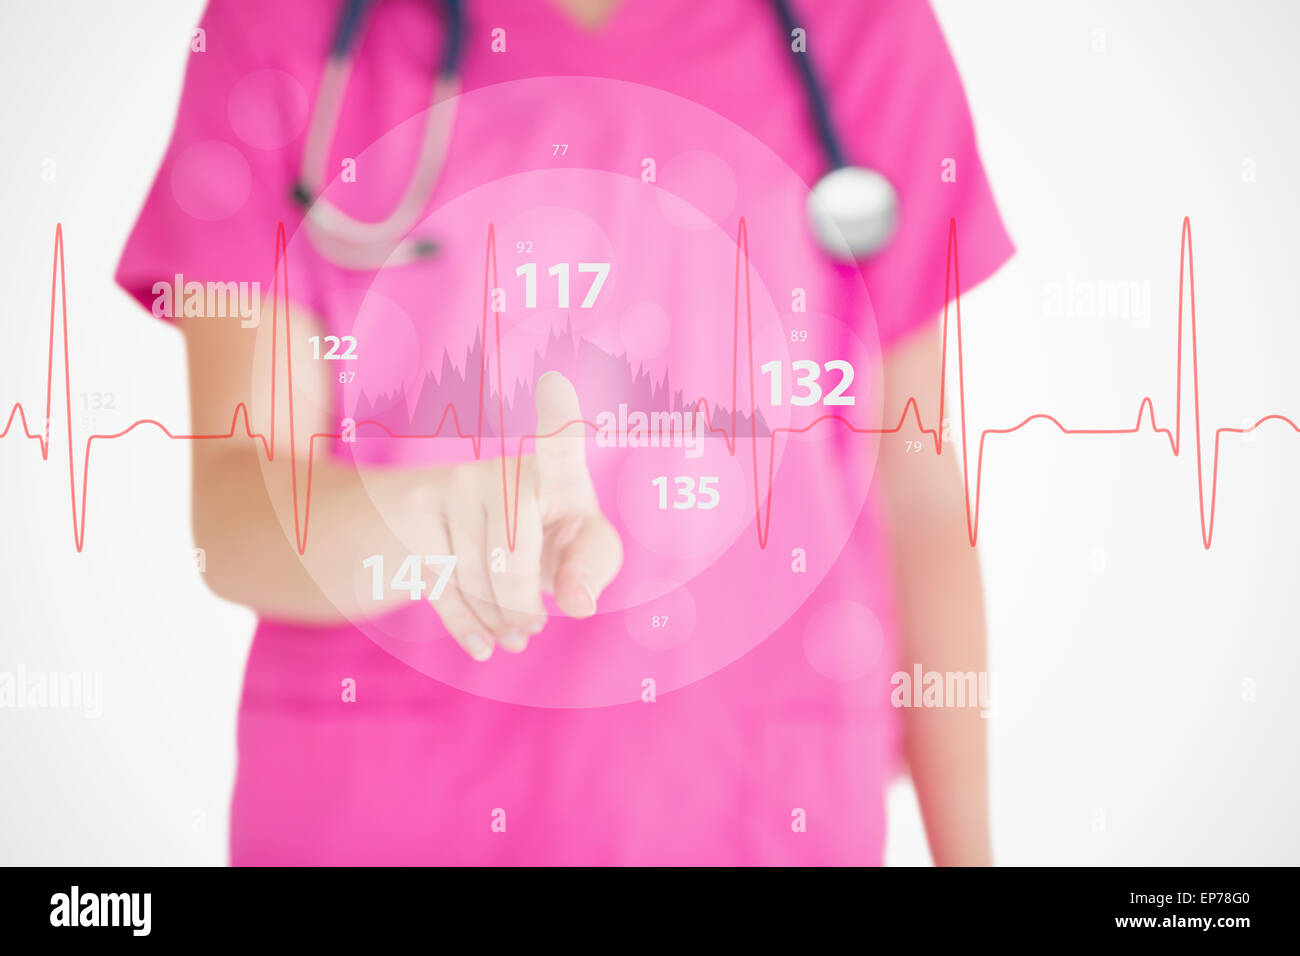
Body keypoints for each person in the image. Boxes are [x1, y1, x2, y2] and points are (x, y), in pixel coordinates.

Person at [116, 0, 1013, 865]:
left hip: (754, 807)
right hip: (389, 813)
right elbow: (238, 508)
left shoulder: (860, 25)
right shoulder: (282, 23)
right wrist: (424, 516)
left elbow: (920, 497)